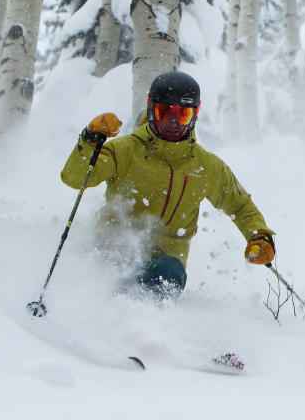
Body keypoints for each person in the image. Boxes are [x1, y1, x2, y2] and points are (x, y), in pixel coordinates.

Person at [60, 70, 275, 297]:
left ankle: (143, 321)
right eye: (165, 113)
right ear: (151, 108)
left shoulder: (205, 166)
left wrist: (260, 235)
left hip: (164, 266)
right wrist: (89, 140)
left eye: (182, 114)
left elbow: (239, 205)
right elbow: (75, 178)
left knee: (169, 272)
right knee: (99, 266)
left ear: (195, 114)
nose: (173, 123)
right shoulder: (125, 151)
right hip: (112, 252)